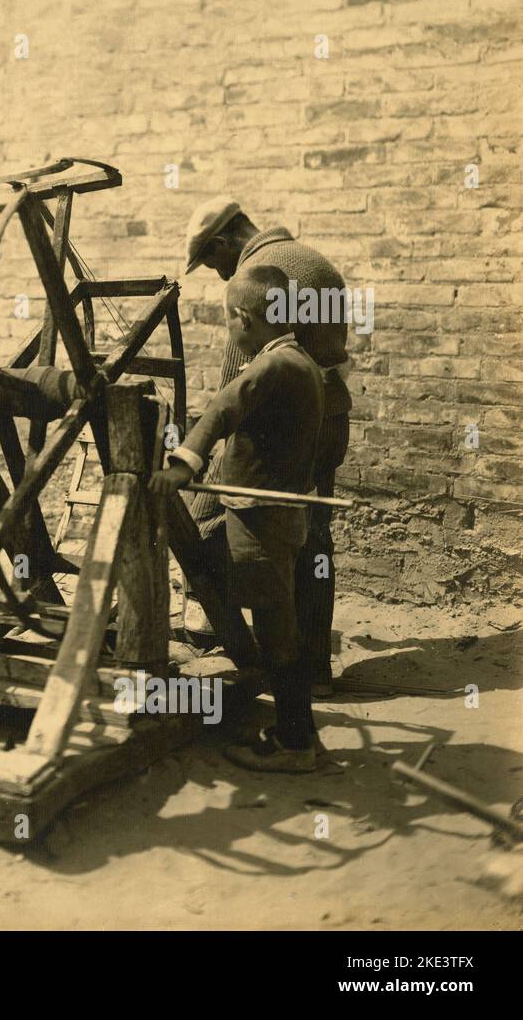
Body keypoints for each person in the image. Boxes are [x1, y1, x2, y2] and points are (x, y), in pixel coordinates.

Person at [150, 265, 324, 773]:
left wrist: (182, 464)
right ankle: (302, 733)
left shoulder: (270, 368)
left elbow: (222, 409)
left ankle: (295, 748)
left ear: (243, 318)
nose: (229, 331)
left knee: (273, 630)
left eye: (229, 322)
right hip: (283, 512)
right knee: (275, 621)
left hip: (260, 516)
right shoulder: (303, 362)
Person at [183, 197, 351, 697]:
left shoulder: (257, 274)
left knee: (202, 522)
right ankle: (314, 666)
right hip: (328, 418)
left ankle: (237, 642)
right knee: (312, 534)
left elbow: (241, 378)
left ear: (222, 243)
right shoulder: (318, 263)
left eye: (211, 262)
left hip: (275, 432)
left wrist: (203, 439)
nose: (216, 275)